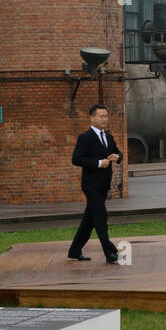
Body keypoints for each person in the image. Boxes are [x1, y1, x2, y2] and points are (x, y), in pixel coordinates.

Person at [67, 103, 122, 263]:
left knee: (89, 220)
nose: (105, 119)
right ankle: (110, 253)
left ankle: (74, 250)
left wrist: (118, 157)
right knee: (100, 215)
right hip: (91, 185)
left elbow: (117, 152)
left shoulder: (109, 137)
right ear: (92, 118)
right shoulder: (85, 137)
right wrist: (98, 163)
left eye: (106, 116)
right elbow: (76, 159)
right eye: (101, 116)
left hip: (103, 184)